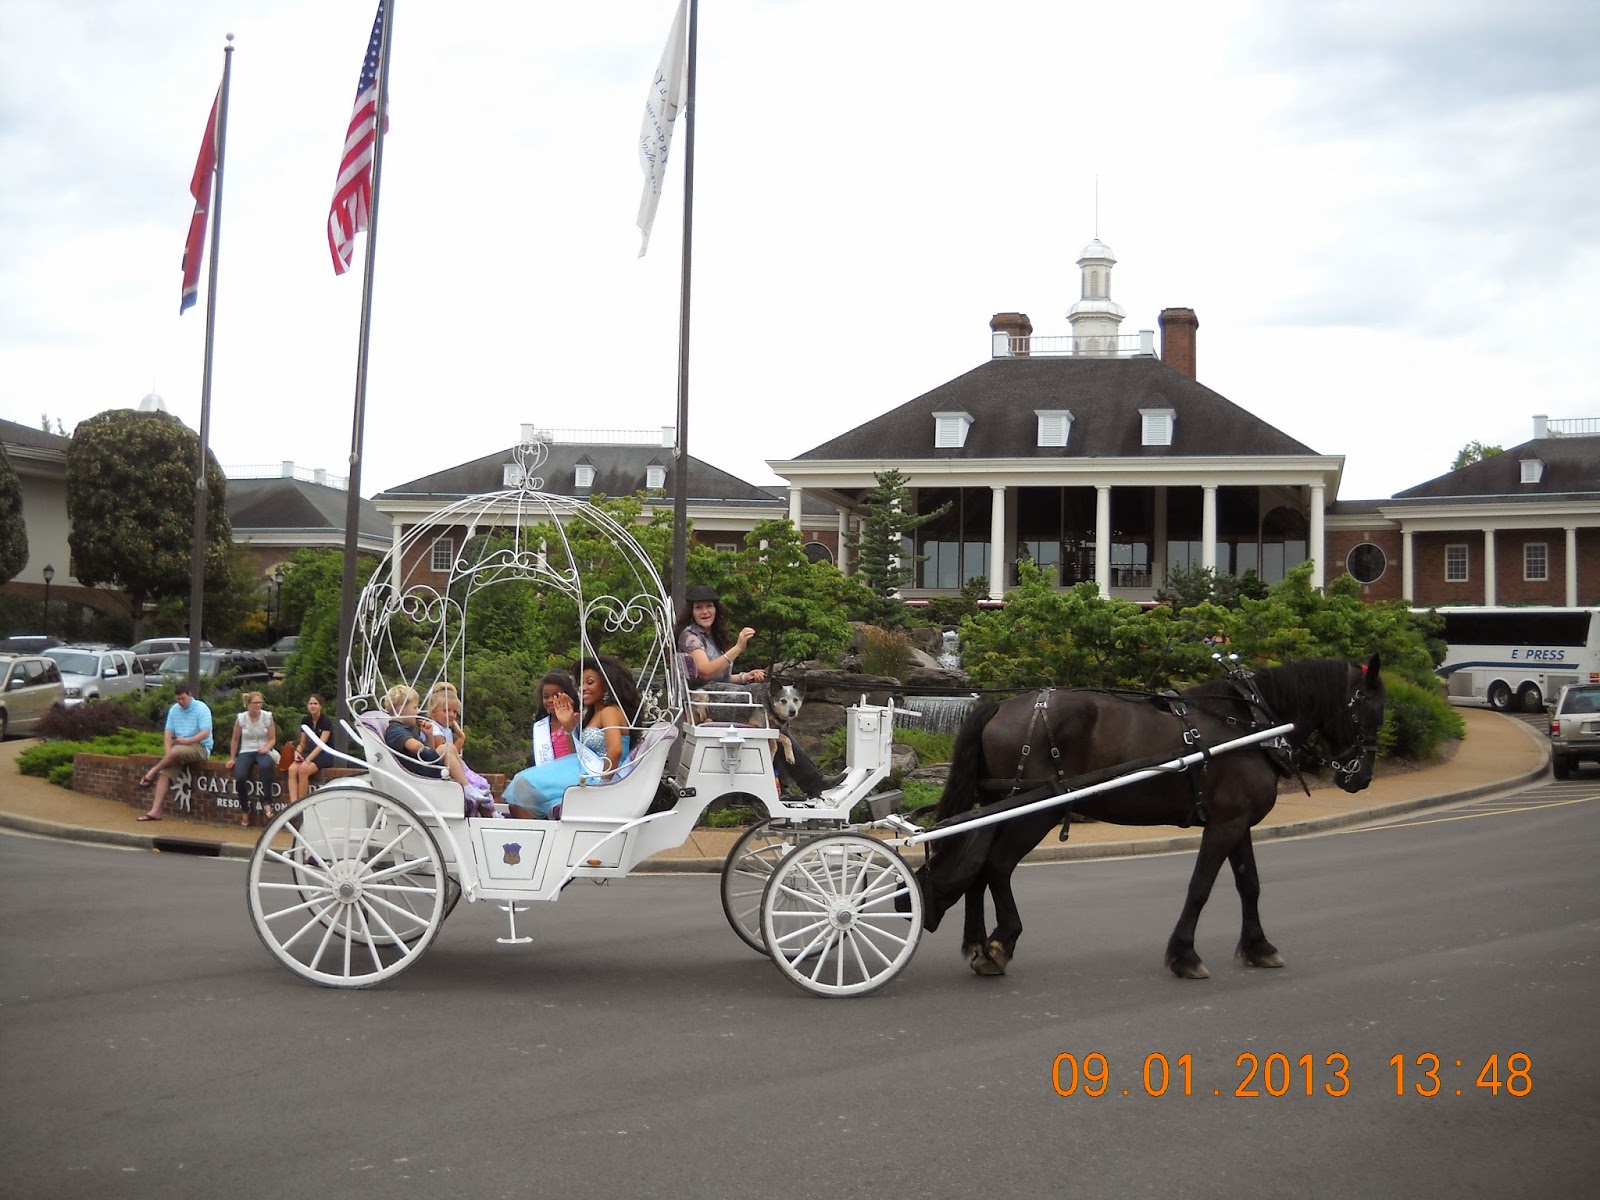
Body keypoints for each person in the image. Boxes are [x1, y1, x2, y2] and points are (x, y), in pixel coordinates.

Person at [504, 656, 640, 818]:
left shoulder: (610, 711)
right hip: (585, 772)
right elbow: (575, 754)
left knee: (522, 784)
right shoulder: (594, 714)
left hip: (599, 778)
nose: (583, 688)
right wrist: (568, 723)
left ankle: (531, 839)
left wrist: (603, 787)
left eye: (590, 682)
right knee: (522, 789)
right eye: (581, 683)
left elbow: (615, 751)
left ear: (606, 685)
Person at [137, 682, 214, 821]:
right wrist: (168, 754)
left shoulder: (202, 708)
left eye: (183, 698)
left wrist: (187, 741)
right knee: (164, 774)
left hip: (199, 746)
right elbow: (168, 733)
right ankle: (155, 811)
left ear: (190, 695)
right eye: (178, 699)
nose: (180, 702)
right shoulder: (174, 710)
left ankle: (151, 772)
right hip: (179, 749)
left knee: (175, 752)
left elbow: (205, 733)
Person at [380, 685, 476, 794]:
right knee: (447, 748)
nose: (418, 711)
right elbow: (415, 747)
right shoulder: (395, 730)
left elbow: (428, 751)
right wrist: (423, 747)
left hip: (422, 767)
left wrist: (429, 736)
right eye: (415, 707)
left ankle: (468, 784)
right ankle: (467, 788)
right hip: (416, 773)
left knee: (448, 747)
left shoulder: (407, 728)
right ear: (400, 710)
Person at [424, 681, 495, 815]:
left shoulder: (446, 729)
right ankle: (471, 792)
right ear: (433, 712)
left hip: (449, 765)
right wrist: (461, 739)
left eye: (454, 712)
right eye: (446, 711)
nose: (452, 715)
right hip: (440, 767)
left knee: (480, 783)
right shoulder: (434, 729)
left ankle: (491, 814)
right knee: (474, 780)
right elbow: (445, 753)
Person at [674, 584, 767, 686]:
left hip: (717, 696)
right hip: (701, 699)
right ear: (691, 612)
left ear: (716, 610)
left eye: (709, 606)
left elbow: (718, 679)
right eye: (698, 607)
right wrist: (738, 647)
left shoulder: (714, 636)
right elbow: (706, 673)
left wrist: (745, 677)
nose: (705, 612)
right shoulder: (690, 637)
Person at [226, 691, 278, 827]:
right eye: (255, 703)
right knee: (241, 775)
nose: (258, 705)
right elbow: (235, 739)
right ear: (248, 704)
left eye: (260, 702)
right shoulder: (241, 718)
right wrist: (232, 758)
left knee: (266, 766)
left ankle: (267, 802)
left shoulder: (267, 717)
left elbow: (273, 739)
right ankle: (245, 808)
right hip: (246, 750)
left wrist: (266, 747)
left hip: (262, 750)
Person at [285, 693, 334, 805]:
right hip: (309, 752)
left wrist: (307, 761)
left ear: (320, 706)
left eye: (315, 704)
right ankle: (293, 804)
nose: (313, 706)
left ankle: (301, 804)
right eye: (311, 703)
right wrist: (297, 752)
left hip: (324, 753)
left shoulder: (326, 721)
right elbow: (303, 742)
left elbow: (321, 745)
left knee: (303, 771)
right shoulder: (305, 720)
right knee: (292, 769)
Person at [530, 669, 580, 766]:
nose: (550, 700)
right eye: (545, 696)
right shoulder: (541, 726)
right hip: (548, 775)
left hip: (570, 771)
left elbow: (578, 752)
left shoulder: (577, 718)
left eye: (556, 695)